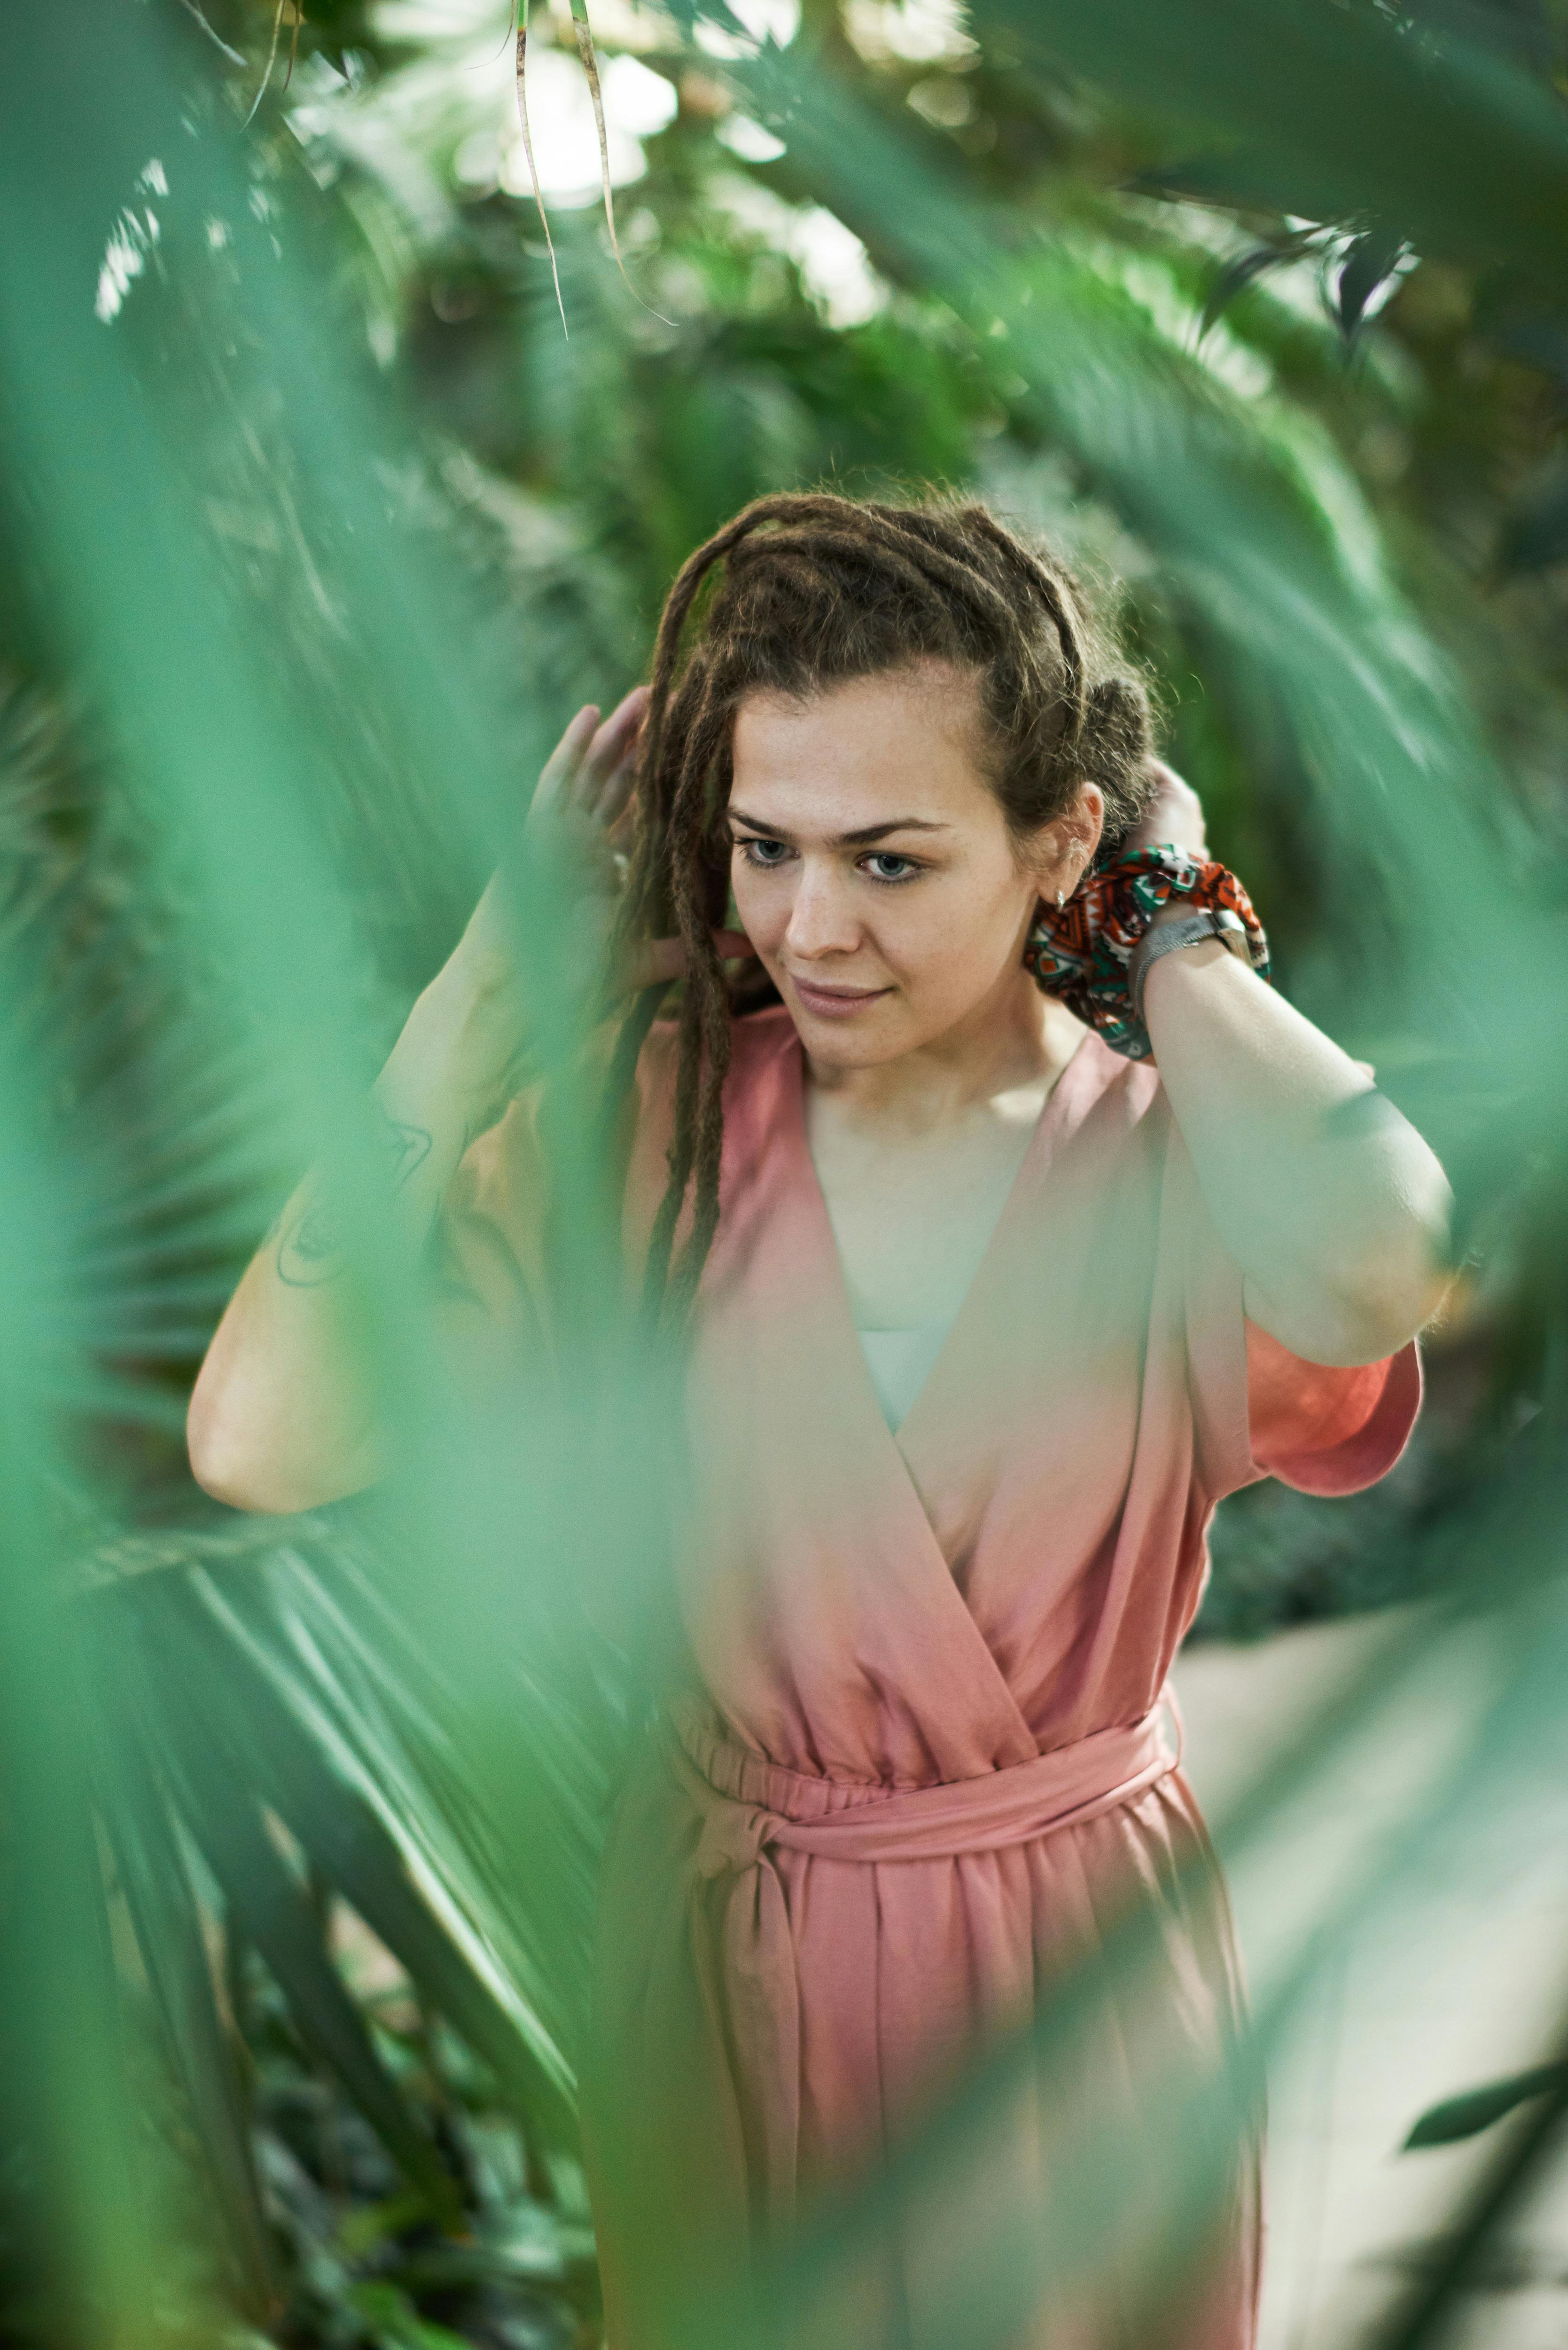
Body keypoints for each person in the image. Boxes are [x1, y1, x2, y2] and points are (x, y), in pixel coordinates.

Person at [188, 493, 1453, 2350]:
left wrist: (1172, 931)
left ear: (1056, 844)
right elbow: (259, 1438)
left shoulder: (1177, 1165)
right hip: (729, 1987)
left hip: (1074, 2000)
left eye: (889, 860)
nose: (806, 925)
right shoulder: (650, 1133)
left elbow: (1377, 1266)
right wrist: (462, 1018)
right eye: (761, 848)